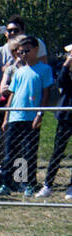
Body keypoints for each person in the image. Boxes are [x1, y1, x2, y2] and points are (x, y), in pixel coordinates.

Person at [0, 36, 54, 197]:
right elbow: (12, 95)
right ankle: (7, 183)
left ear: (36, 50)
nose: (24, 54)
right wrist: (6, 117)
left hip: (31, 117)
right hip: (15, 117)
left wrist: (40, 114)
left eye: (27, 51)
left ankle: (28, 184)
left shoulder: (44, 69)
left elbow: (46, 93)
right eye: (20, 52)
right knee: (10, 152)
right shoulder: (19, 71)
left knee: (29, 151)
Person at [35, 47, 72, 199]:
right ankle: (48, 185)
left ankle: (71, 187)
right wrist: (67, 62)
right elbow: (60, 82)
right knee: (58, 151)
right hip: (65, 116)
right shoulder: (65, 70)